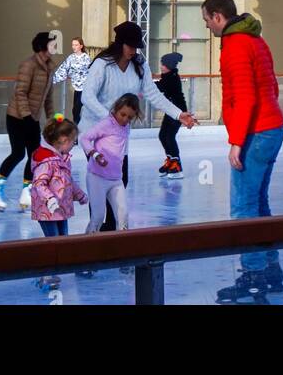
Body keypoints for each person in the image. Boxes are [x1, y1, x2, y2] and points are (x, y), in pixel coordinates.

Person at [201, 0, 283, 305]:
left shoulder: (235, 45)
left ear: (218, 17)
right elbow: (272, 87)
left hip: (256, 132)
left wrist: (237, 141)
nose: (207, 27)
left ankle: (253, 277)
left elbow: (246, 96)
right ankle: (271, 271)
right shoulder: (256, 40)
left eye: (207, 20)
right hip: (272, 127)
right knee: (259, 205)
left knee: (243, 208)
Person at [79, 22, 197, 231]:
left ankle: (114, 230)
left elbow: (153, 95)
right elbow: (87, 96)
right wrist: (110, 119)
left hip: (120, 136)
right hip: (96, 133)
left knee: (119, 182)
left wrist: (179, 115)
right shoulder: (102, 65)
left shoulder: (140, 65)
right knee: (100, 185)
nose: (133, 51)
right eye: (130, 46)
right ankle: (98, 231)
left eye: (136, 46)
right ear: (120, 44)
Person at [0, 32, 55, 212]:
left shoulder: (49, 68)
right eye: (52, 44)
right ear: (43, 46)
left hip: (32, 119)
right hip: (17, 117)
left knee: (34, 156)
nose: (55, 47)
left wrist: (52, 120)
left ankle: (27, 193)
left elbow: (48, 98)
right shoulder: (28, 65)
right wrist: (27, 116)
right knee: (18, 153)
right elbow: (20, 92)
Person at [82, 94, 141, 233]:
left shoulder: (126, 127)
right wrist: (94, 154)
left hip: (116, 179)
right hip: (97, 177)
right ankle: (87, 245)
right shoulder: (106, 124)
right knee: (98, 216)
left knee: (123, 215)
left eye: (130, 117)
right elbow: (84, 138)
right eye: (123, 114)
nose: (125, 119)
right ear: (116, 108)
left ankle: (122, 247)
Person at [30, 115, 88, 236]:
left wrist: (79, 194)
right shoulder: (46, 160)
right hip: (47, 209)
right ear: (63, 139)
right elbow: (39, 183)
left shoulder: (63, 158)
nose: (74, 144)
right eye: (74, 141)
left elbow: (68, 180)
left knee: (63, 240)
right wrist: (50, 199)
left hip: (61, 208)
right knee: (54, 241)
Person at [155, 52, 187, 178]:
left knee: (169, 137)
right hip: (171, 111)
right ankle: (170, 160)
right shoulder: (168, 76)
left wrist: (147, 85)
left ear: (169, 65)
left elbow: (161, 87)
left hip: (179, 112)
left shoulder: (172, 78)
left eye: (163, 64)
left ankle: (177, 166)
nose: (161, 66)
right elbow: (161, 85)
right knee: (163, 135)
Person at [52, 37, 92, 126]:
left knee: (80, 110)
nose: (74, 47)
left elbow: (92, 72)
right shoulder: (71, 58)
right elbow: (63, 69)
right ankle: (76, 132)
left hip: (85, 89)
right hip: (76, 89)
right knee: (75, 111)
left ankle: (80, 130)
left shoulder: (86, 58)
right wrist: (52, 80)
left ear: (81, 46)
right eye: (73, 45)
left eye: (76, 45)